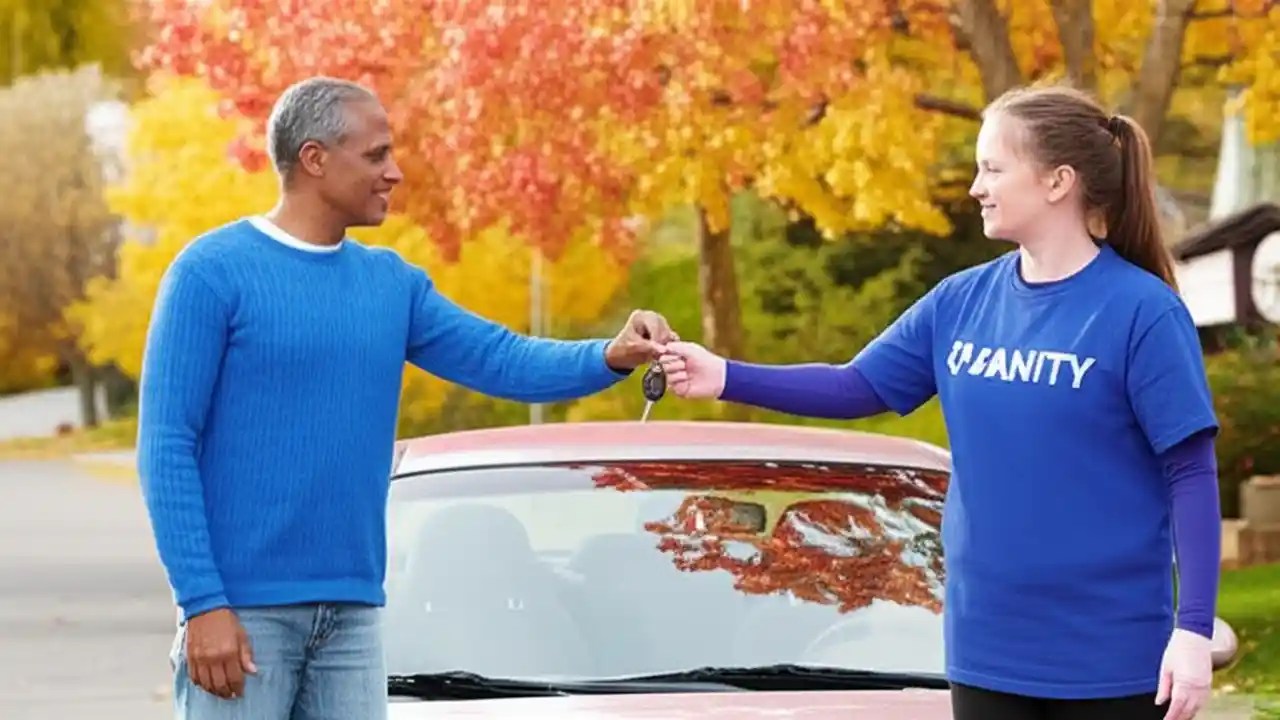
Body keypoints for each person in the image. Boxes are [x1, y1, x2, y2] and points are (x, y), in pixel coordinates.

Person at [658, 84, 1220, 720]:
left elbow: (1191, 473)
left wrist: (1193, 629)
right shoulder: (960, 302)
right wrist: (725, 375)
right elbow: (857, 387)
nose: (977, 187)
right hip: (986, 652)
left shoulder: (1142, 313)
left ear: (1058, 181)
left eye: (993, 168)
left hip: (1111, 660)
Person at [136, 75, 677, 719]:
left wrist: (608, 356)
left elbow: (502, 358)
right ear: (314, 159)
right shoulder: (210, 273)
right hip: (244, 618)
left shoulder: (391, 284)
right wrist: (203, 603)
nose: (393, 172)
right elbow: (166, 448)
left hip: (353, 618)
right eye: (375, 156)